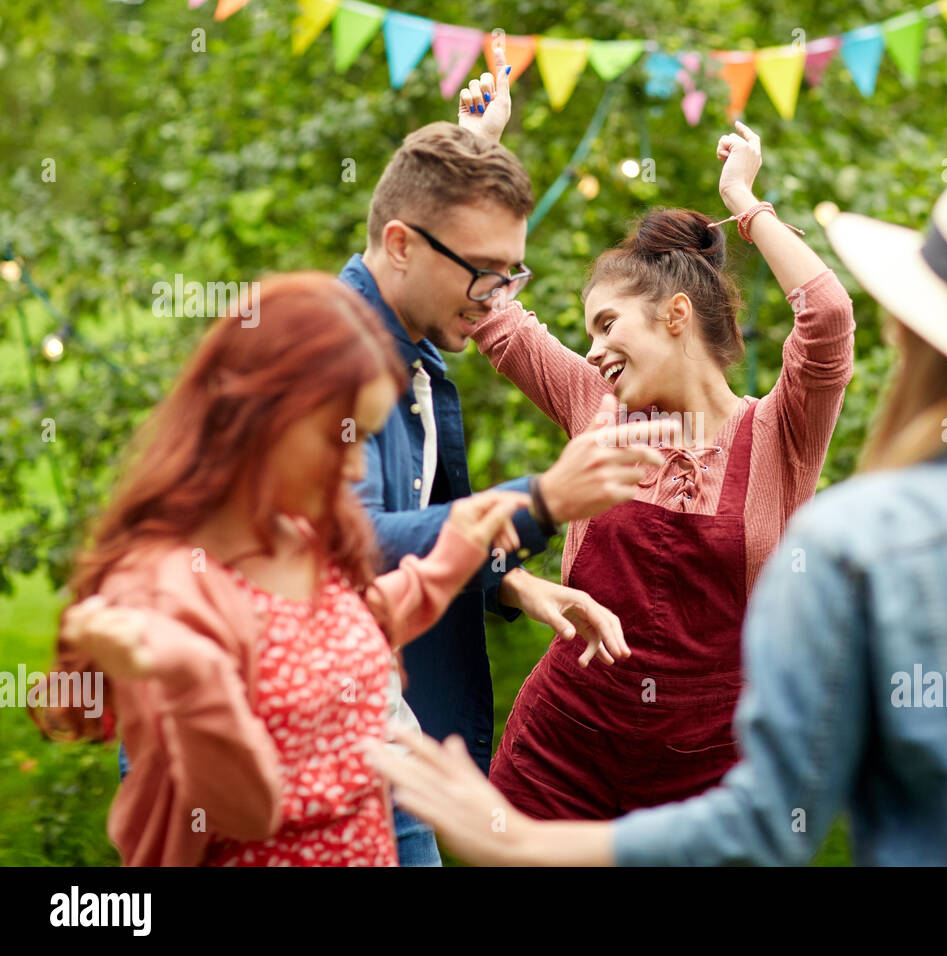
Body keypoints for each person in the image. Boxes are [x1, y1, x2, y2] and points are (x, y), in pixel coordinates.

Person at [368, 155, 947, 866]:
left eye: (609, 321)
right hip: (569, 741)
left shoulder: (859, 541)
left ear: (915, 329)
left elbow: (769, 818)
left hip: (697, 755)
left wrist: (519, 844)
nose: (595, 345)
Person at [30, 273, 532, 866]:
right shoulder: (163, 594)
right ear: (261, 416)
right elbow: (242, 811)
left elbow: (349, 635)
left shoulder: (298, 532)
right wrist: (194, 679)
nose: (355, 470)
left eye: (364, 439)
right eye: (338, 439)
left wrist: (453, 558)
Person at [460, 116, 855, 819]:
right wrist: (475, 155)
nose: (591, 352)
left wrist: (745, 201)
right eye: (587, 333)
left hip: (715, 777)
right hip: (563, 761)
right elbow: (488, 308)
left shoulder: (780, 431)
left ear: (676, 314)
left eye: (607, 324)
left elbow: (825, 315)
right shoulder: (596, 404)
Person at [341, 50, 673, 863]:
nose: (497, 296)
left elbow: (409, 527)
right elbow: (348, 549)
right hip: (300, 737)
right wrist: (540, 502)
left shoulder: (414, 350)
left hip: (386, 719)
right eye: (484, 273)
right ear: (400, 244)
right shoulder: (337, 358)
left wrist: (513, 581)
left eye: (509, 271)